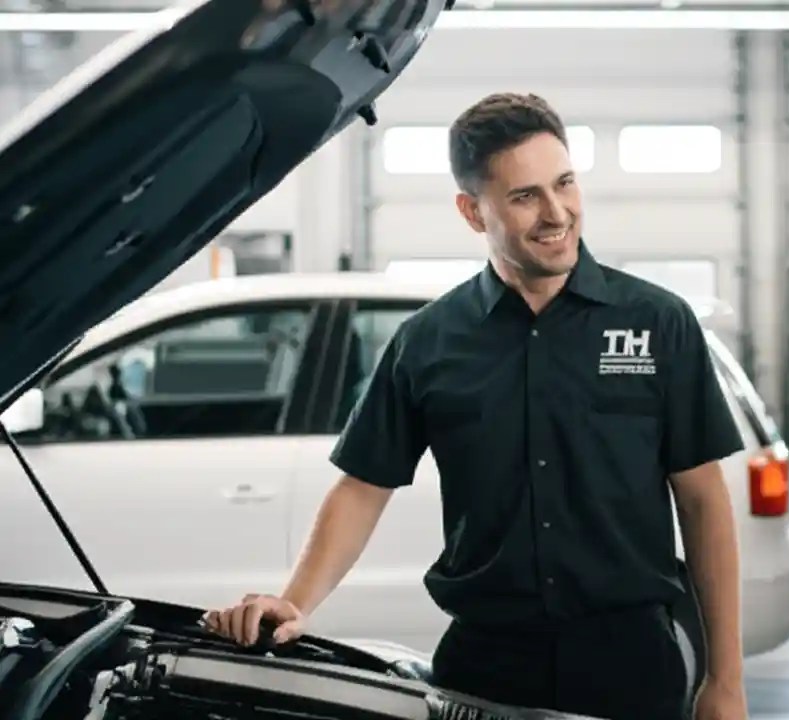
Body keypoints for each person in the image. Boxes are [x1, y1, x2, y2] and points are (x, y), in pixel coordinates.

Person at [201, 92, 749, 720]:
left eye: (564, 183)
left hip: (631, 666)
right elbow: (361, 488)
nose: (557, 213)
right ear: (471, 211)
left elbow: (703, 501)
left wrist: (725, 680)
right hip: (484, 669)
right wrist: (295, 601)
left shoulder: (658, 323)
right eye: (525, 196)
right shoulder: (429, 341)